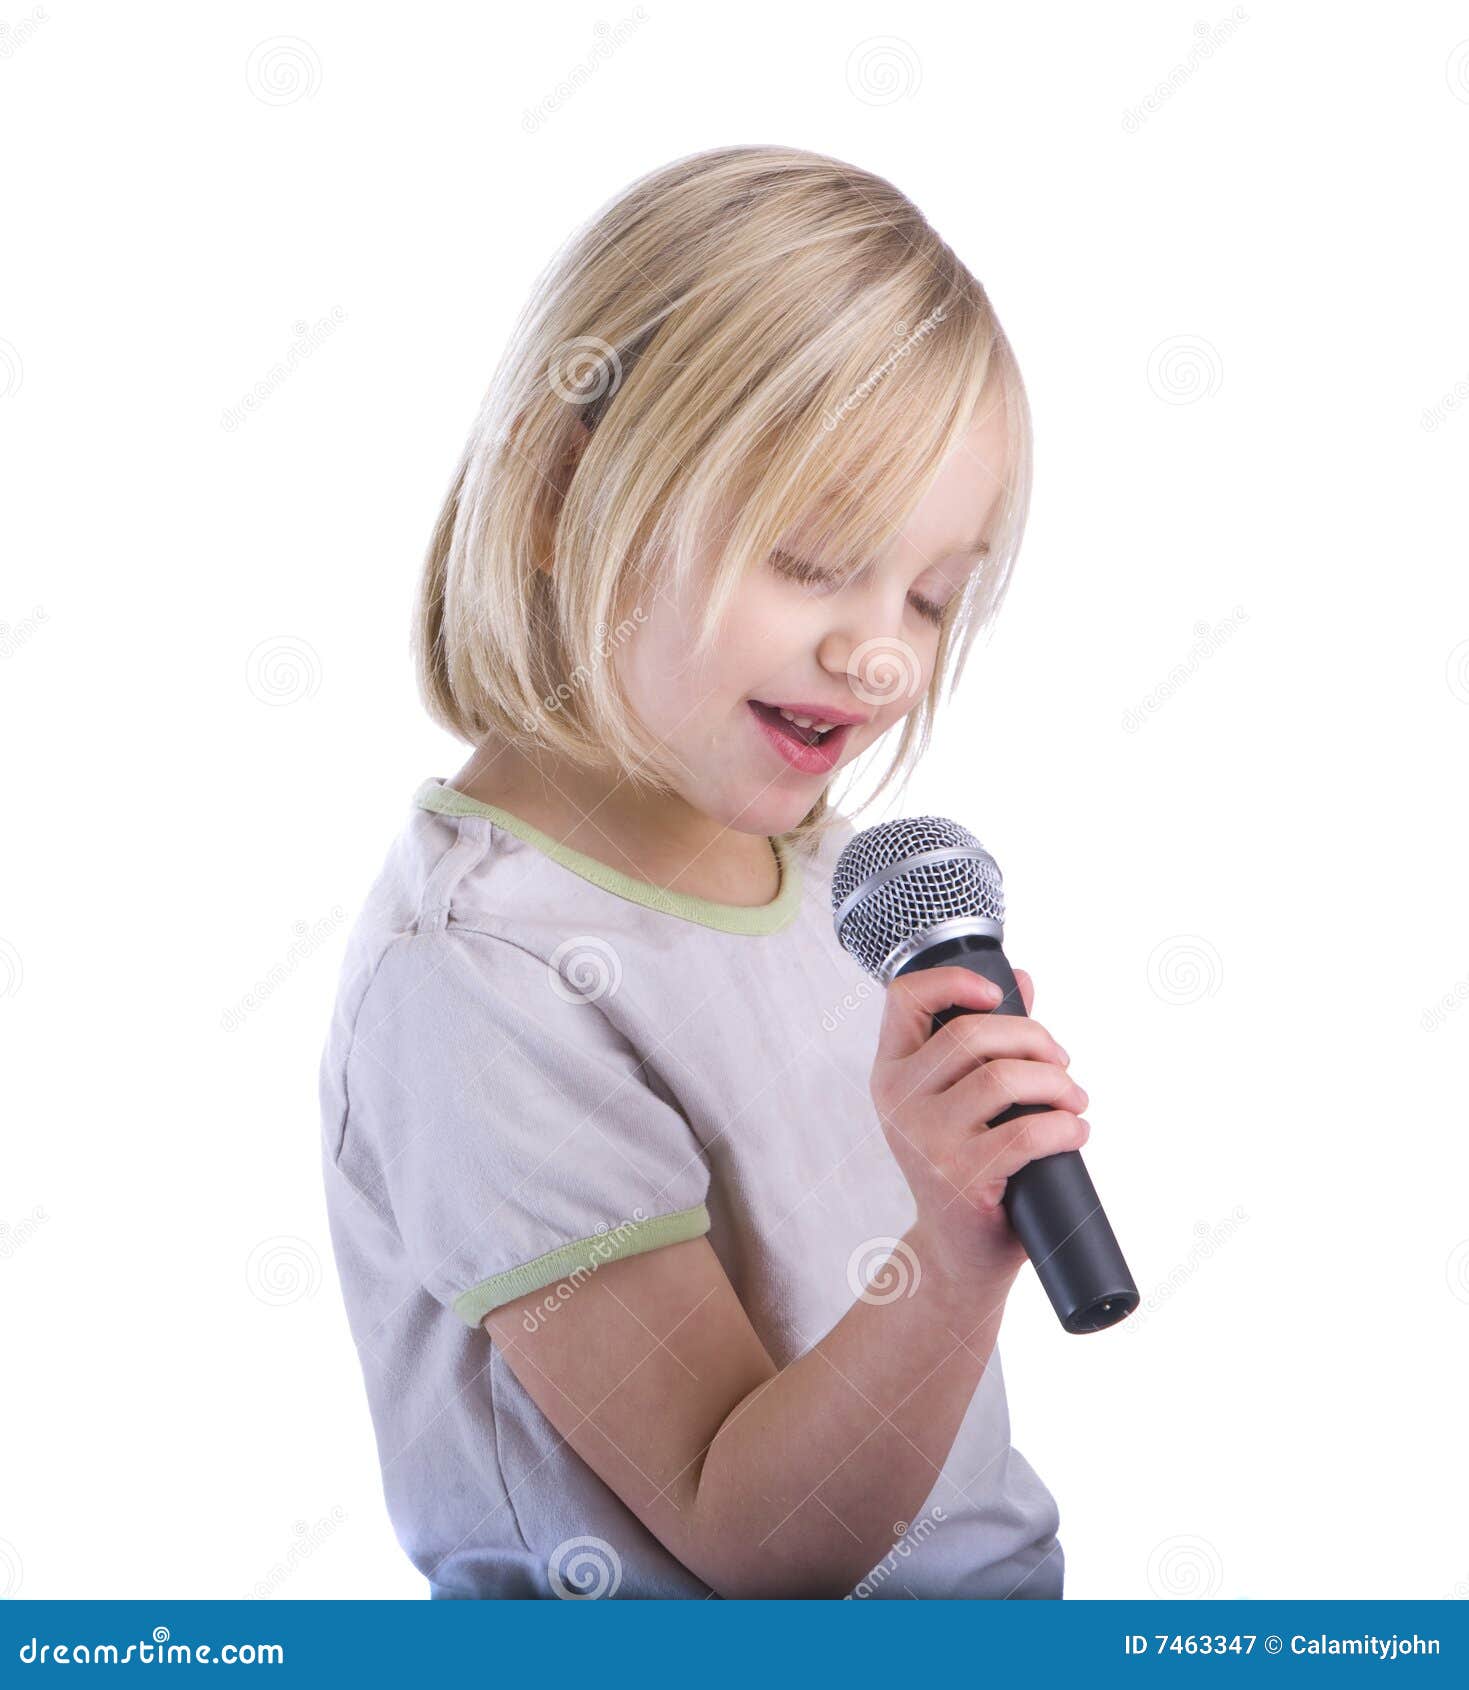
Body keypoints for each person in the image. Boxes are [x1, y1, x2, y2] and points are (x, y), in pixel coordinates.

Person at [318, 143, 1090, 1600]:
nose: (878, 650)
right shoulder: (483, 972)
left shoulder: (835, 877)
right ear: (557, 500)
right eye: (810, 559)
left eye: (932, 596)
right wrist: (950, 1244)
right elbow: (751, 1540)